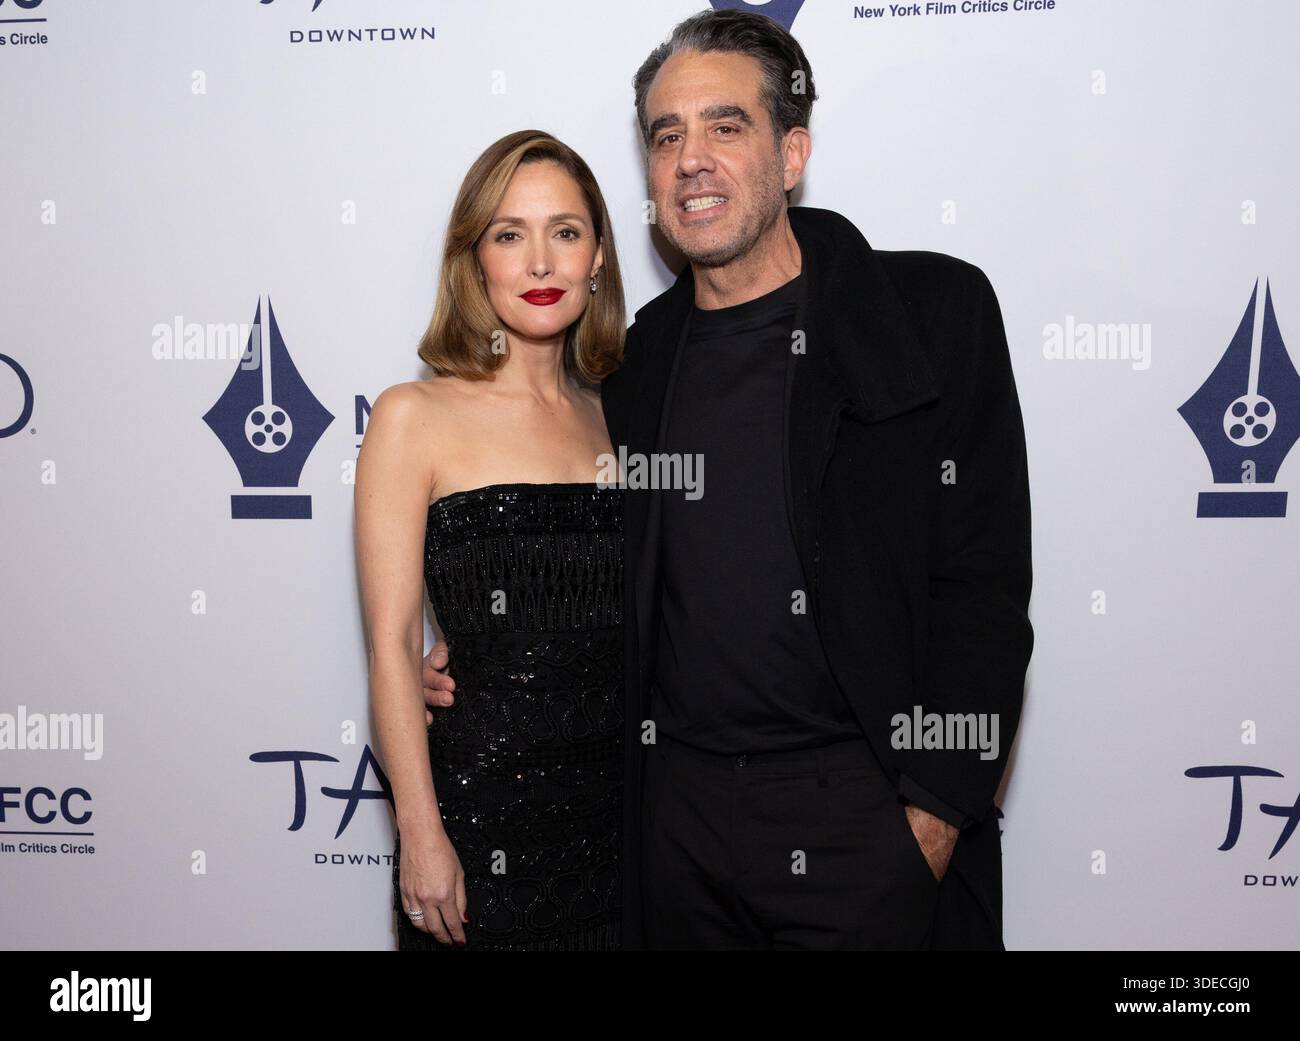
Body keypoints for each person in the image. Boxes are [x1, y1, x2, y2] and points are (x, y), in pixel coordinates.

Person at [426, 8, 1034, 950]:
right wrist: (493, 646)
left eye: (725, 125)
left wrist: (930, 820)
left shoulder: (928, 313)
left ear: (792, 154)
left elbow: (984, 591)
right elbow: (608, 574)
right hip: (677, 835)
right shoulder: (630, 367)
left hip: (863, 817)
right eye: (666, 135)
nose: (691, 158)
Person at [356, 130, 627, 949]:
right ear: (476, 260)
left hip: (623, 823)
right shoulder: (414, 417)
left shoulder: (628, 413)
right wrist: (422, 834)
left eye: (566, 232)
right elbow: (396, 645)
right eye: (510, 234)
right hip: (478, 828)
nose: (541, 263)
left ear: (600, 257)